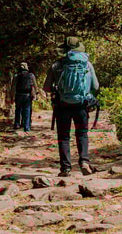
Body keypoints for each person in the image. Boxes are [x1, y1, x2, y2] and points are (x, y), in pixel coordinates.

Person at [43, 36, 100, 177]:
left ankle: (65, 168)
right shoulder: (87, 65)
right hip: (81, 105)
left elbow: (47, 87)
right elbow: (96, 86)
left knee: (63, 137)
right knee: (82, 134)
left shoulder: (56, 65)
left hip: (62, 105)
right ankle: (84, 162)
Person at [12, 62, 36, 131]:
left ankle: (17, 124)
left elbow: (13, 86)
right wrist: (35, 94)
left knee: (18, 109)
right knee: (27, 110)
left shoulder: (16, 75)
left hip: (19, 94)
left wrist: (11, 96)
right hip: (27, 95)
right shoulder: (31, 75)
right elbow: (35, 86)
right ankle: (26, 127)